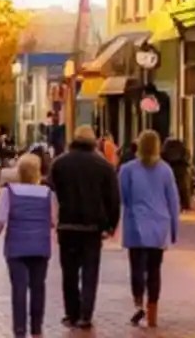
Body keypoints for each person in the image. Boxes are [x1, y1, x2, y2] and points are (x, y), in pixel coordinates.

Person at [48, 125, 120, 330]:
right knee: (90, 272)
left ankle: (72, 312)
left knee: (69, 272)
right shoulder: (104, 166)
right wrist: (110, 225)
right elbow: (113, 199)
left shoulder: (60, 163)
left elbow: (52, 190)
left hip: (68, 225)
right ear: (93, 142)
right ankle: (85, 314)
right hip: (92, 227)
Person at [119, 130, 180, 328]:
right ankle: (152, 312)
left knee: (136, 267)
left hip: (136, 224)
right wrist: (174, 229)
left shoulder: (127, 170)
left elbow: (124, 197)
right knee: (154, 270)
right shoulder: (165, 170)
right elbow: (173, 201)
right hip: (159, 225)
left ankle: (138, 304)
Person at [0, 153, 56, 338]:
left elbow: (0, 220)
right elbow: (53, 220)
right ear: (37, 173)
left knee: (19, 288)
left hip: (17, 247)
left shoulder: (9, 192)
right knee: (38, 287)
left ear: (19, 172)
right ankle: (37, 329)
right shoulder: (47, 194)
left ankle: (20, 330)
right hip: (40, 247)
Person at [161, 138, 193, 212]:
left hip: (171, 168)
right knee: (183, 187)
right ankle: (185, 204)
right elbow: (187, 156)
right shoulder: (181, 148)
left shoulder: (167, 147)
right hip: (180, 169)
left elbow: (162, 156)